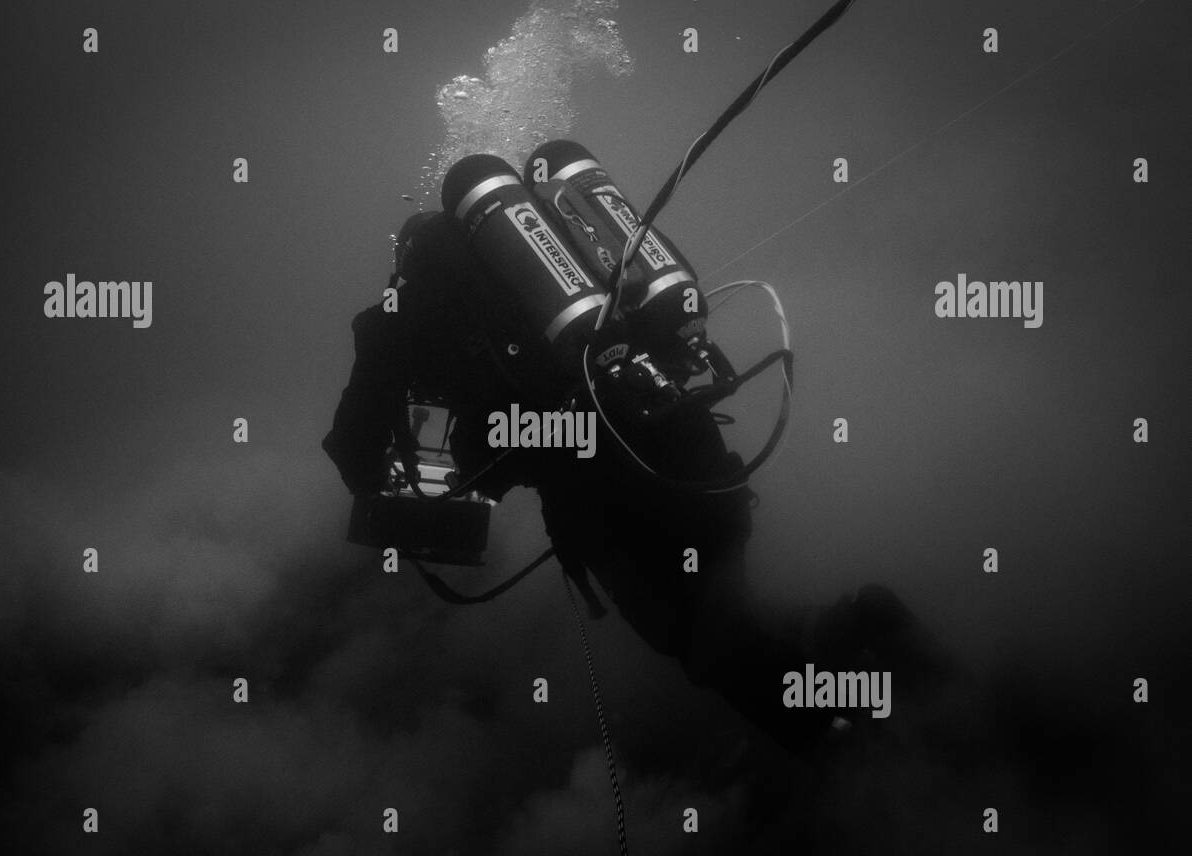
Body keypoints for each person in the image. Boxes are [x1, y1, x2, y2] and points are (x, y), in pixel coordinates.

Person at [325, 210, 946, 753]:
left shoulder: (397, 315)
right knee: (733, 611)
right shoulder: (575, 278)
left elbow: (355, 446)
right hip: (695, 458)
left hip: (607, 503)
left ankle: (860, 762)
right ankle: (878, 637)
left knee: (707, 649)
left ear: (409, 260)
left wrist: (406, 493)